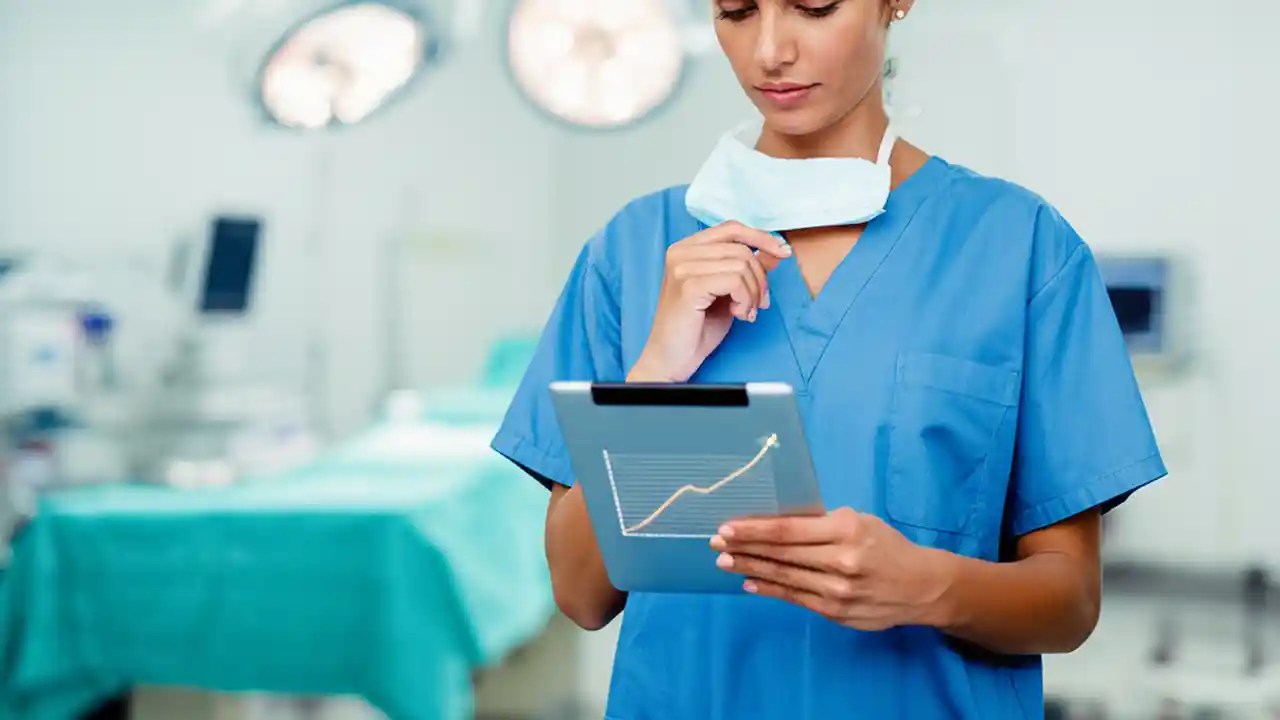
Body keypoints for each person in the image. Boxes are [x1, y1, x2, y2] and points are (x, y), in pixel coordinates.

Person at [491, 0, 1167, 717]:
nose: (769, 52)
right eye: (736, 11)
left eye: (814, 8)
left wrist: (928, 587)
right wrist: (657, 371)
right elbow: (581, 594)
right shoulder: (634, 252)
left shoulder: (1018, 246)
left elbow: (1071, 602)